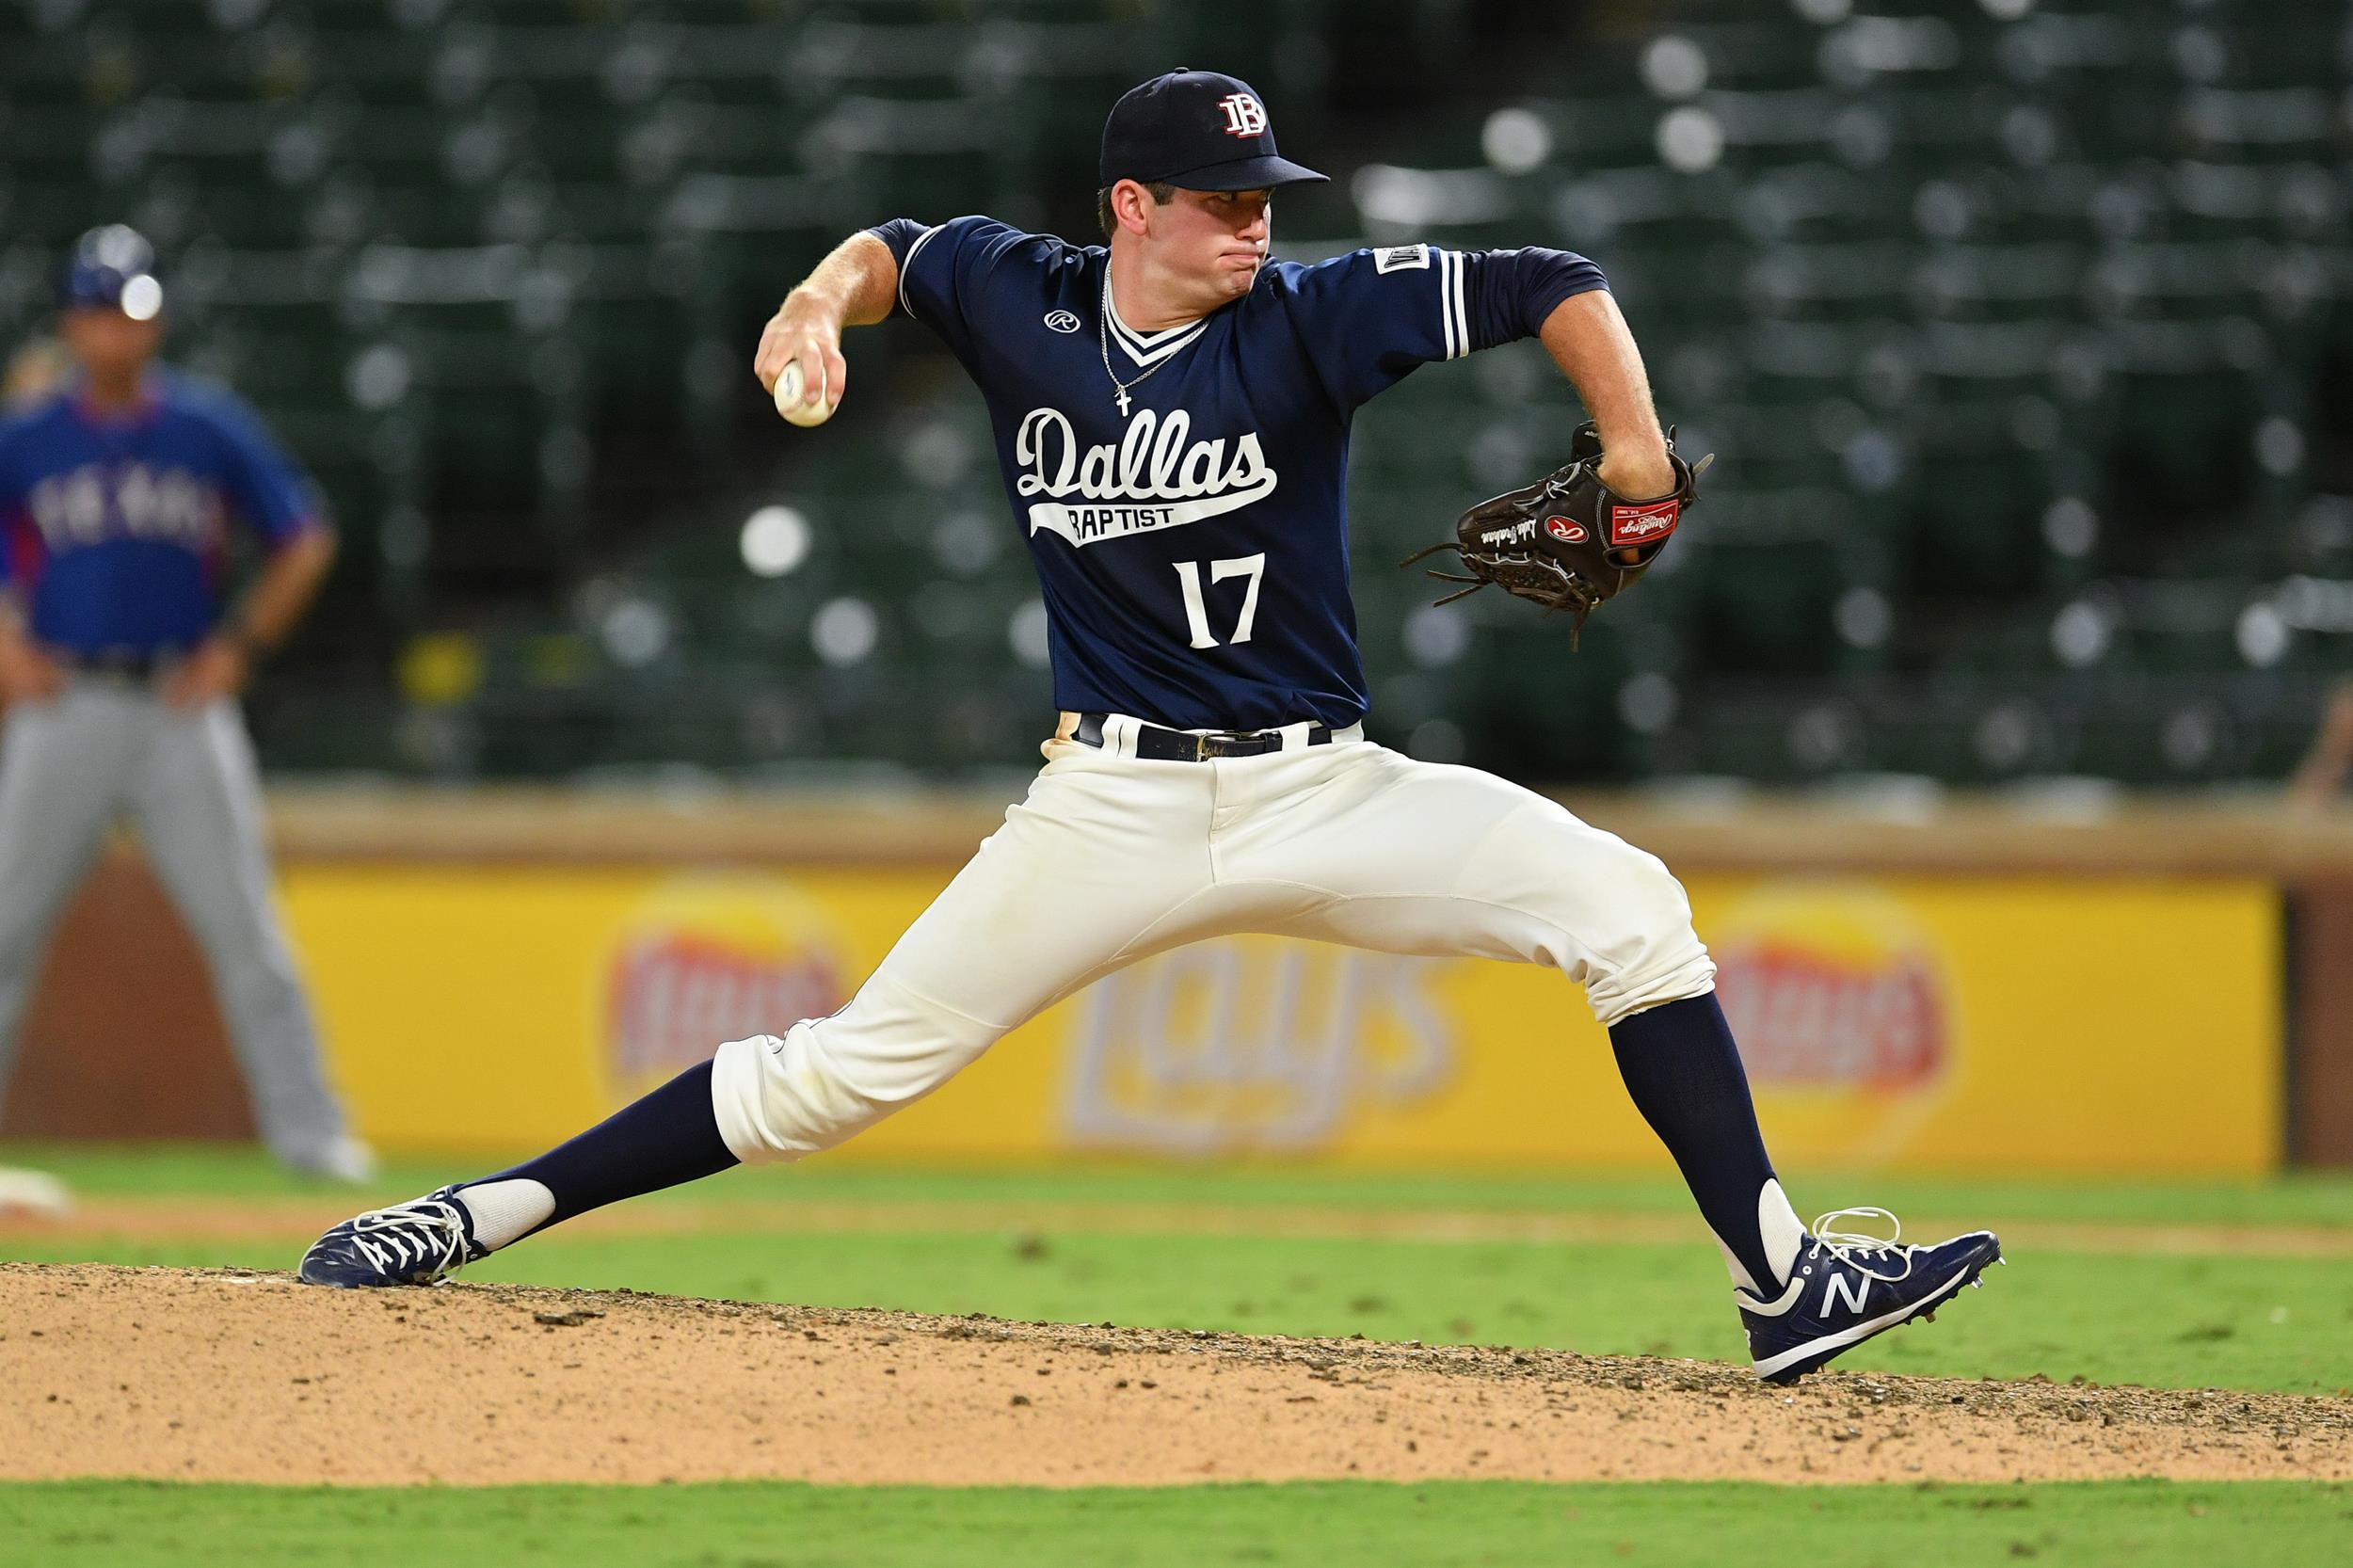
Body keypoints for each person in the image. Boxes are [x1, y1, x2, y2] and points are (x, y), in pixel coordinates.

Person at [297, 72, 1997, 1383]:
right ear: (1131, 205)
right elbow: (892, 253)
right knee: (835, 1079)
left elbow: (1556, 278)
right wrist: (814, 303)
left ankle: (1781, 1282)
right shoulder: (1017, 294)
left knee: (1627, 906)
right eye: (1222, 200)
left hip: (1323, 788)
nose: (1256, 224)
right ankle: (475, 1212)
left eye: (1266, 197)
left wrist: (1631, 448)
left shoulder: (1311, 315)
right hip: (1106, 804)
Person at [0, 225, 373, 1183]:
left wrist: (238, 646)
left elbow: (304, 536)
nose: (114, 334)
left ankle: (313, 1134)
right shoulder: (29, 436)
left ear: (156, 322)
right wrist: (5, 642)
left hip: (177, 705)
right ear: (70, 323)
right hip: (67, 703)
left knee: (248, 931)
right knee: (4, 926)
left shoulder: (204, 427)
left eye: (130, 315)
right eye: (97, 314)